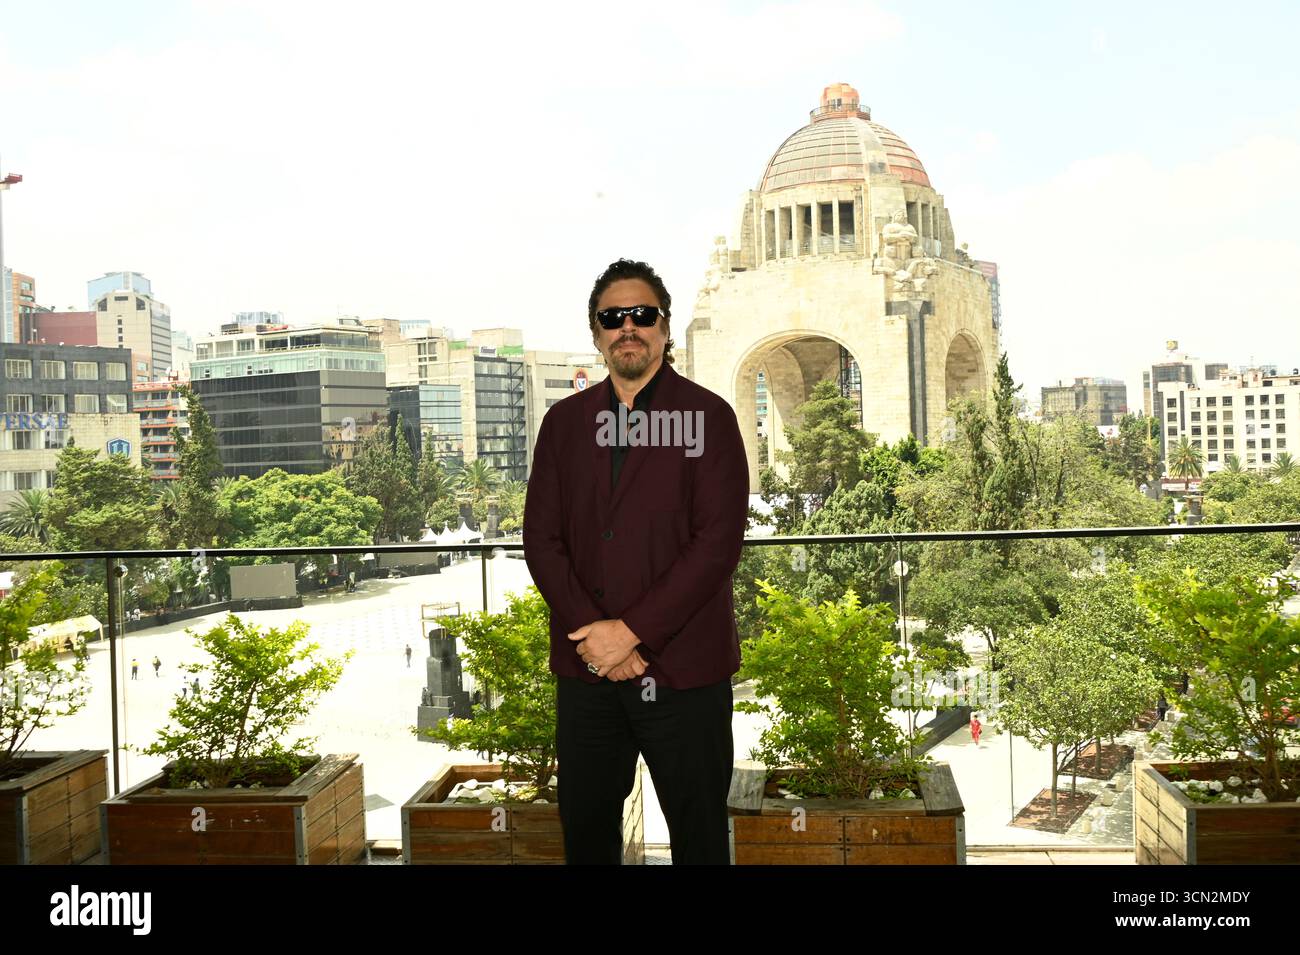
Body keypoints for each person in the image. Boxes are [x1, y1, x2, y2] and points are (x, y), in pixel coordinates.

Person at [524, 259, 749, 865]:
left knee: (700, 838)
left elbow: (716, 545)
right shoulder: (563, 425)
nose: (629, 327)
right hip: (587, 673)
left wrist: (628, 634)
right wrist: (597, 641)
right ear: (596, 334)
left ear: (666, 328)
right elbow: (541, 541)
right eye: (612, 318)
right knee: (588, 836)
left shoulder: (710, 418)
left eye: (642, 314)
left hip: (686, 673)